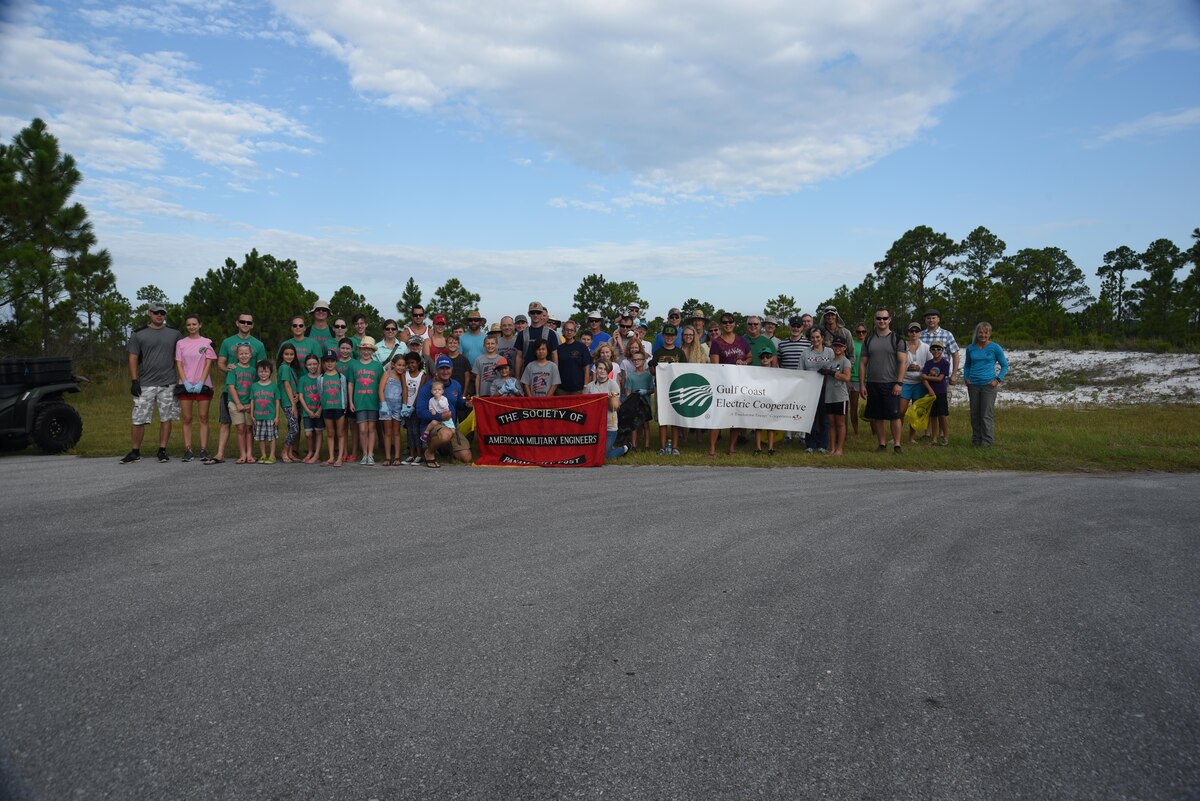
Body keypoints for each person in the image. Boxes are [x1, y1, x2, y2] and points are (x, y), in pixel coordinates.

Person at [122, 302, 181, 464]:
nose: (159, 315)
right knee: (138, 418)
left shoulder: (174, 334)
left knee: (166, 418)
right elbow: (133, 357)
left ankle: (162, 450)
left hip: (168, 383)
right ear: (149, 313)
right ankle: (135, 451)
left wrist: (205, 348)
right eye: (156, 312)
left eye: (162, 312)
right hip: (146, 383)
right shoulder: (138, 334)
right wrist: (134, 380)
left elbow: (183, 354)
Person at [208, 312, 267, 465]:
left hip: (251, 392)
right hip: (231, 391)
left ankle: (249, 454)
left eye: (249, 322)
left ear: (252, 325)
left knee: (249, 426)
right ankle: (220, 453)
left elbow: (262, 367)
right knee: (225, 422)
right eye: (243, 322)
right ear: (237, 323)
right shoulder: (228, 342)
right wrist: (227, 368)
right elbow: (220, 362)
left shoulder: (258, 345)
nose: (245, 324)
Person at [858, 307, 908, 454]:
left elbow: (902, 362)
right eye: (879, 318)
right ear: (875, 320)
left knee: (894, 416)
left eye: (885, 318)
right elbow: (862, 363)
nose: (882, 321)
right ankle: (882, 444)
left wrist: (899, 383)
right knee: (877, 416)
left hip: (891, 383)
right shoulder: (869, 340)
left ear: (890, 320)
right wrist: (862, 384)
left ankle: (897, 445)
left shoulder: (897, 339)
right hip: (873, 383)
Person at [708, 313, 752, 457]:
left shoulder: (741, 340)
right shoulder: (717, 342)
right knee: (718, 417)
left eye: (730, 322)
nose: (728, 324)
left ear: (734, 323)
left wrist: (744, 362)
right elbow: (715, 365)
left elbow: (750, 356)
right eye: (725, 322)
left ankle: (731, 448)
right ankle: (712, 448)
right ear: (721, 325)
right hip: (723, 384)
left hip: (740, 384)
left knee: (736, 416)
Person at [416, 356, 472, 467]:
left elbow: (459, 403)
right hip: (432, 425)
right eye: (442, 368)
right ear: (436, 370)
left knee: (466, 458)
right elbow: (420, 411)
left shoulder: (456, 385)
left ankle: (443, 448)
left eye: (447, 368)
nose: (445, 371)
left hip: (450, 425)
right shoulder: (428, 387)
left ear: (452, 369)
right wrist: (440, 416)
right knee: (445, 434)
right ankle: (429, 452)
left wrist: (466, 404)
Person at [174, 313, 215, 463]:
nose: (191, 327)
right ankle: (188, 449)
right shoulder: (181, 343)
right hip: (185, 385)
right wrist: (185, 381)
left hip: (203, 385)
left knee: (203, 417)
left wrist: (201, 382)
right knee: (187, 418)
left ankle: (204, 449)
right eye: (188, 324)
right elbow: (179, 363)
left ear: (200, 325)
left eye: (194, 324)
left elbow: (208, 363)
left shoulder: (207, 342)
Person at [964, 322, 1008, 447]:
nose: (983, 335)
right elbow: (967, 365)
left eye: (986, 332)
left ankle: (987, 442)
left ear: (989, 334)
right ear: (976, 333)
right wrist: (966, 378)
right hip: (973, 385)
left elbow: (1005, 366)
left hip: (989, 385)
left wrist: (997, 380)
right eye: (980, 332)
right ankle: (976, 440)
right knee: (975, 414)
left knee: (985, 414)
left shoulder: (995, 347)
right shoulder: (970, 348)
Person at [651, 325, 687, 455]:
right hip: (661, 388)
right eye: (667, 335)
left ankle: (675, 447)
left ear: (676, 336)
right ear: (663, 336)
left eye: (672, 335)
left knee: (675, 418)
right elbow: (652, 372)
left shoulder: (679, 352)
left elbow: (684, 371)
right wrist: (652, 366)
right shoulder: (658, 352)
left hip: (675, 388)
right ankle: (662, 446)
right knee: (663, 418)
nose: (669, 338)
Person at [348, 336, 385, 465]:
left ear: (372, 351)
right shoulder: (354, 364)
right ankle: (364, 453)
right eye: (363, 349)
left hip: (373, 401)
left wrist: (382, 402)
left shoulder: (377, 366)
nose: (366, 352)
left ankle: (371, 454)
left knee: (371, 428)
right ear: (360, 350)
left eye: (369, 349)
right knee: (362, 429)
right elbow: (351, 383)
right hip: (359, 401)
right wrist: (351, 401)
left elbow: (381, 385)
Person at [584, 360, 628, 462]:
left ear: (609, 371)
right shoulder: (590, 386)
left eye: (605, 369)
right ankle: (609, 448)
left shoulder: (613, 385)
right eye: (600, 368)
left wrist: (609, 398)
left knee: (604, 456)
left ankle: (624, 448)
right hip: (594, 425)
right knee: (592, 453)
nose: (602, 371)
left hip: (609, 426)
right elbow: (585, 406)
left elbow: (615, 407)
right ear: (596, 369)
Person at [800, 328, 833, 453]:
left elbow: (836, 367)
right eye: (813, 337)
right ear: (810, 339)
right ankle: (810, 444)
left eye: (818, 337)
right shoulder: (805, 353)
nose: (815, 340)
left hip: (826, 388)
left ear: (822, 338)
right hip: (810, 389)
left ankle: (822, 445)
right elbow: (801, 372)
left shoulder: (830, 352)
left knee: (824, 418)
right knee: (811, 418)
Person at [223, 343, 256, 464]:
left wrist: (250, 404)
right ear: (237, 355)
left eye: (246, 353)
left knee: (249, 429)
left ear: (251, 354)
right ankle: (242, 454)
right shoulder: (233, 369)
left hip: (249, 404)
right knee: (240, 429)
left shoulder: (253, 370)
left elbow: (256, 388)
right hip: (235, 403)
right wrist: (238, 404)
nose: (244, 355)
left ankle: (250, 454)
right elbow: (231, 387)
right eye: (241, 353)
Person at [901, 323, 932, 444]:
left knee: (916, 412)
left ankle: (911, 438)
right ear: (908, 332)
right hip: (905, 382)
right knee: (900, 411)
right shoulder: (902, 346)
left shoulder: (926, 347)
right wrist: (907, 367)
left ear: (920, 333)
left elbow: (931, 366)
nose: (914, 333)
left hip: (920, 383)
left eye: (916, 331)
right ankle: (896, 436)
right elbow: (898, 362)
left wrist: (920, 368)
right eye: (911, 331)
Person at [824, 337, 854, 456]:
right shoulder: (829, 363)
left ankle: (840, 449)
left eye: (840, 346)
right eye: (835, 345)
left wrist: (832, 373)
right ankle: (832, 448)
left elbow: (847, 377)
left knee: (840, 424)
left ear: (844, 347)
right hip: (829, 396)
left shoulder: (845, 361)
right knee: (831, 424)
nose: (837, 348)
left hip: (840, 397)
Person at [319, 350, 349, 467]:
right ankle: (331, 457)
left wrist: (344, 408)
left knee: (340, 433)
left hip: (339, 407)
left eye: (332, 361)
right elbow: (321, 393)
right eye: (327, 361)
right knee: (330, 433)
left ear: (336, 362)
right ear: (324, 363)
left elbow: (344, 393)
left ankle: (340, 457)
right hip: (327, 408)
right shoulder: (321, 378)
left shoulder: (341, 377)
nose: (329, 364)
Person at [514, 301, 559, 376]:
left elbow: (554, 355)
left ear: (542, 314)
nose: (535, 315)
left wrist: (555, 375)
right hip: (526, 376)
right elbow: (519, 357)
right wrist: (517, 377)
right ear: (529, 314)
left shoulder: (551, 334)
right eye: (533, 312)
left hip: (546, 375)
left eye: (538, 312)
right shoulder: (522, 334)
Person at [378, 354, 409, 465]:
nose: (401, 367)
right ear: (393, 365)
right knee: (388, 432)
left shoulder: (403, 376)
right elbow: (380, 390)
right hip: (387, 407)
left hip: (397, 407)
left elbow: (405, 390)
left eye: (403, 365)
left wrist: (404, 405)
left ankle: (396, 457)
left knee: (396, 432)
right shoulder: (388, 374)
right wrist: (383, 404)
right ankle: (387, 457)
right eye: (399, 365)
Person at [400, 351, 428, 465]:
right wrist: (405, 405)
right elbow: (405, 389)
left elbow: (420, 392)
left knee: (416, 431)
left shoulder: (422, 375)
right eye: (408, 363)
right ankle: (411, 454)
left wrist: (413, 406)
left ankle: (419, 454)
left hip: (417, 407)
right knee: (410, 431)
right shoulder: (404, 374)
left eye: (413, 363)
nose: (410, 365)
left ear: (418, 363)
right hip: (407, 406)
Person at [250, 359, 280, 464]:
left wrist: (277, 417)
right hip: (258, 416)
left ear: (270, 372)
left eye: (266, 371)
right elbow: (252, 401)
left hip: (270, 416)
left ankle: (272, 456)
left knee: (271, 437)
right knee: (261, 437)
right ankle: (263, 455)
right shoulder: (254, 386)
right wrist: (252, 415)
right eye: (261, 372)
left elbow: (277, 402)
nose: (263, 374)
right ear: (257, 372)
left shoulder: (274, 386)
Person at [921, 343, 951, 446]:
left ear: (942, 350)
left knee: (942, 416)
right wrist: (929, 389)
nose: (936, 351)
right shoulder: (928, 363)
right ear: (930, 351)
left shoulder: (945, 363)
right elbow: (922, 378)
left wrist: (926, 377)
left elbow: (940, 378)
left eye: (939, 349)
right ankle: (934, 439)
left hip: (941, 392)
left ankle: (945, 438)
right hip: (930, 393)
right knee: (933, 416)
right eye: (933, 349)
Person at [275, 343, 301, 463]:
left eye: (291, 354)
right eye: (286, 354)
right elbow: (286, 385)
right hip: (287, 402)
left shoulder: (290, 368)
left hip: (291, 399)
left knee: (292, 426)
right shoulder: (284, 367)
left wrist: (296, 395)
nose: (289, 356)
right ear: (282, 355)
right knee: (294, 428)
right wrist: (293, 404)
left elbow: (293, 385)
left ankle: (290, 453)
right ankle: (284, 451)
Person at [623, 349, 653, 450]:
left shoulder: (648, 376)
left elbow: (652, 389)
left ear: (644, 361)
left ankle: (647, 445)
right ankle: (634, 445)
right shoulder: (631, 376)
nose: (636, 362)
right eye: (634, 360)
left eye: (639, 360)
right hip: (634, 404)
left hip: (645, 404)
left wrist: (645, 391)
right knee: (634, 425)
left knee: (646, 425)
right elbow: (628, 391)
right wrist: (629, 399)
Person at [297, 354, 324, 463]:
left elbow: (325, 395)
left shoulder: (321, 378)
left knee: (318, 432)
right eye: (309, 364)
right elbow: (301, 396)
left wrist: (319, 410)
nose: (312, 366)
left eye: (314, 364)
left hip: (319, 411)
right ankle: (310, 451)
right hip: (307, 411)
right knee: (308, 434)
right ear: (305, 366)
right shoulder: (303, 379)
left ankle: (317, 454)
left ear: (318, 364)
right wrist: (307, 411)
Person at [754, 349, 778, 456]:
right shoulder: (755, 372)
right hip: (759, 401)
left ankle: (771, 448)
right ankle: (758, 448)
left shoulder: (776, 372)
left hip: (770, 401)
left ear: (772, 358)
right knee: (758, 425)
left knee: (770, 425)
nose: (765, 359)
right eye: (763, 357)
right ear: (759, 359)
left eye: (768, 357)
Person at [557, 320, 591, 394]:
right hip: (561, 389)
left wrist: (585, 386)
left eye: (571, 330)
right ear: (563, 331)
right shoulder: (559, 349)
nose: (569, 332)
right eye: (567, 330)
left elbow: (586, 368)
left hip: (578, 389)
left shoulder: (582, 347)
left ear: (575, 332)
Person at [848, 323, 867, 436]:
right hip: (854, 378)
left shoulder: (869, 345)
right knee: (854, 406)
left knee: (870, 406)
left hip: (868, 378)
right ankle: (856, 431)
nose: (861, 334)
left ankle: (875, 431)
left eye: (863, 331)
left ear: (866, 333)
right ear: (855, 333)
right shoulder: (853, 345)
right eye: (858, 332)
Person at [422, 381, 454, 445]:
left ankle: (448, 442)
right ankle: (426, 433)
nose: (437, 391)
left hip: (446, 418)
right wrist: (432, 410)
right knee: (433, 422)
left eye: (439, 390)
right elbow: (430, 407)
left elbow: (444, 407)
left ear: (442, 391)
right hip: (437, 418)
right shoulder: (431, 400)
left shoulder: (444, 399)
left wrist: (439, 399)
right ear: (431, 391)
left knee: (453, 431)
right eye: (435, 390)